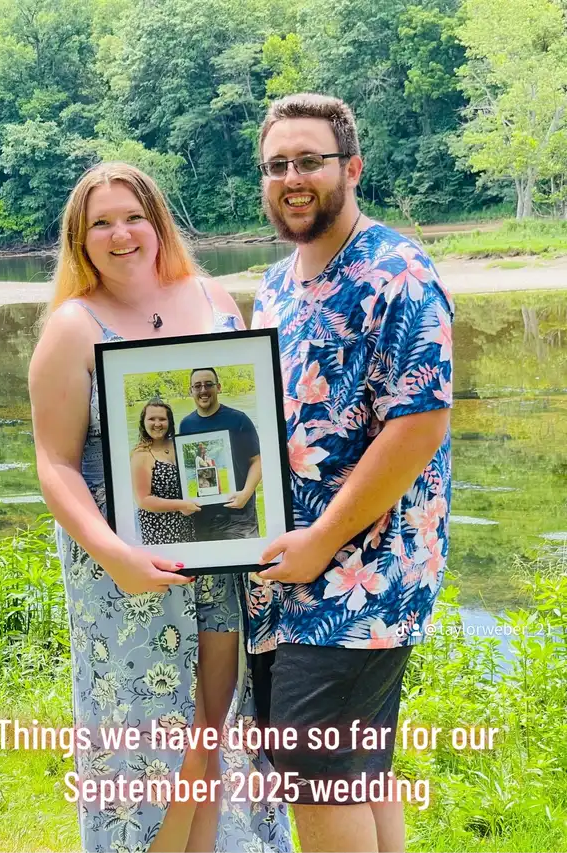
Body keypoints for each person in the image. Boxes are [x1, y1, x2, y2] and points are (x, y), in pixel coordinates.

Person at [28, 162, 290, 853]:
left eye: (133, 217)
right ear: (79, 239)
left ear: (157, 222)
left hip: (222, 557)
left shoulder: (211, 298)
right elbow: (55, 465)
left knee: (214, 725)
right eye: (101, 223)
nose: (121, 235)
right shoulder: (72, 328)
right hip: (123, 571)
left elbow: (248, 429)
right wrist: (117, 556)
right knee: (151, 740)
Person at [249, 93, 454, 853]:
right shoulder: (274, 285)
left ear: (352, 168)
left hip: (366, 571)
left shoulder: (397, 272)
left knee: (312, 766)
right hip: (289, 572)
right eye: (277, 165)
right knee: (354, 765)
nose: (292, 178)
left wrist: (322, 539)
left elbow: (419, 423)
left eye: (310, 160)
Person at [179, 367, 261, 541]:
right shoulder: (186, 425)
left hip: (239, 514)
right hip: (202, 515)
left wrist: (246, 493)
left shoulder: (239, 419)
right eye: (197, 386)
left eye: (209, 384)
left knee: (246, 558)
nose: (203, 390)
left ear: (218, 387)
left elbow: (257, 461)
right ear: (190, 391)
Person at [131, 398, 199, 545]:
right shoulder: (141, 455)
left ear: (169, 422)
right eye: (151, 419)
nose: (157, 424)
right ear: (143, 422)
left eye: (162, 419)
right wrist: (181, 505)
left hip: (185, 524)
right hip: (159, 529)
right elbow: (143, 500)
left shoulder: (179, 445)